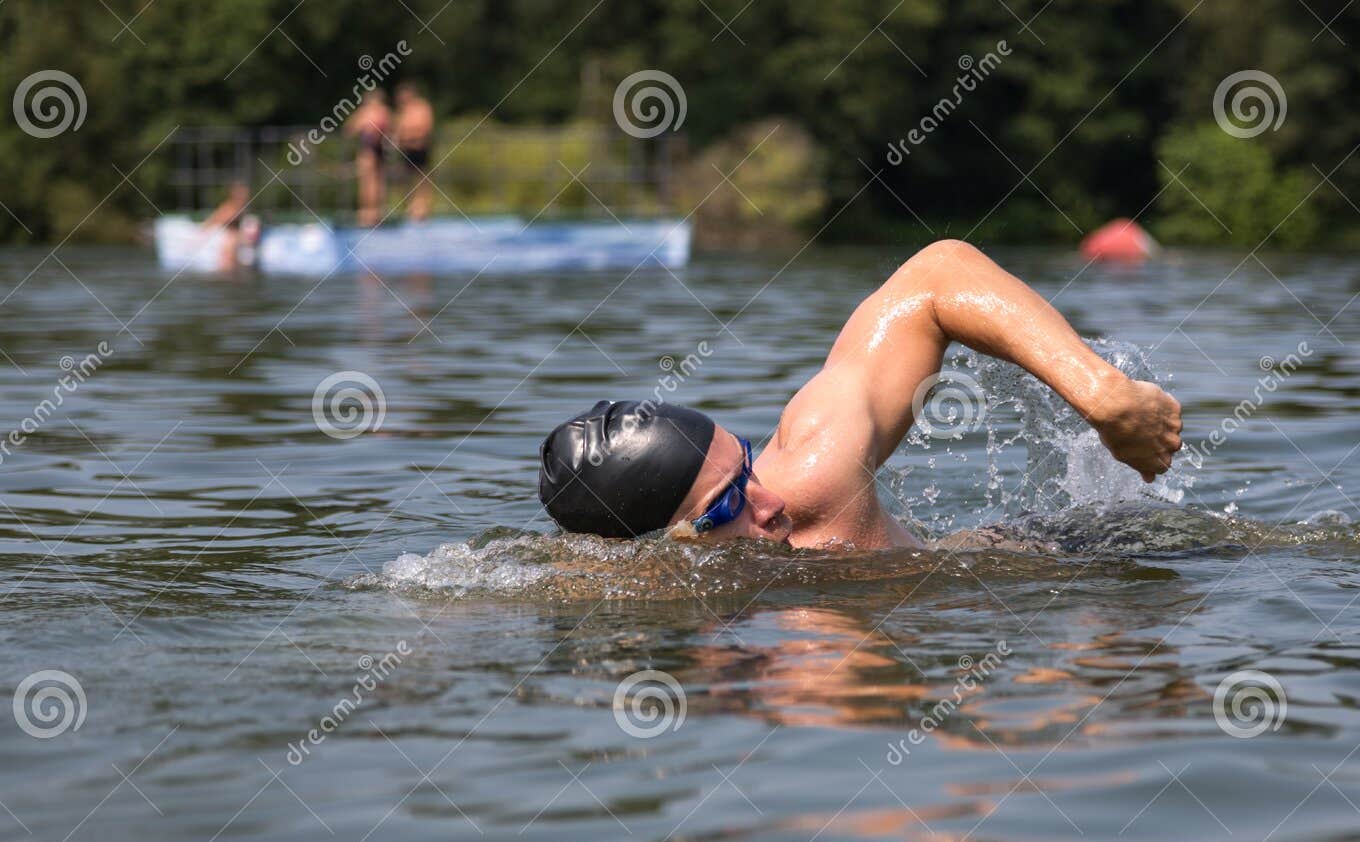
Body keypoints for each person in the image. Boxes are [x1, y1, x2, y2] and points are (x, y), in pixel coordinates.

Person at [538, 240, 1183, 550]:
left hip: (1061, 559)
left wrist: (1103, 396)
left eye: (748, 465)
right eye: (727, 503)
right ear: (664, 549)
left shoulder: (816, 469)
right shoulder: (637, 589)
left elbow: (936, 278)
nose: (770, 502)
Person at [343, 90, 391, 226]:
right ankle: (368, 213)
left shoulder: (380, 112)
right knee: (368, 182)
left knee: (375, 183)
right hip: (368, 150)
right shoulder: (366, 113)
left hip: (377, 149)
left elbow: (350, 129)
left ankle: (374, 213)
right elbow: (349, 129)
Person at [394, 82, 435, 222]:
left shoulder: (421, 107)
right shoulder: (403, 110)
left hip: (420, 148)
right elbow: (399, 130)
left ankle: (423, 208)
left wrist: (412, 135)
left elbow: (426, 127)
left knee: (422, 178)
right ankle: (411, 207)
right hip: (406, 150)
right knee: (406, 178)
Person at [200, 181, 252, 271]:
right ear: (234, 194)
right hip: (226, 245)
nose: (245, 196)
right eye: (242, 193)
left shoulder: (240, 209)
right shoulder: (229, 209)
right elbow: (212, 222)